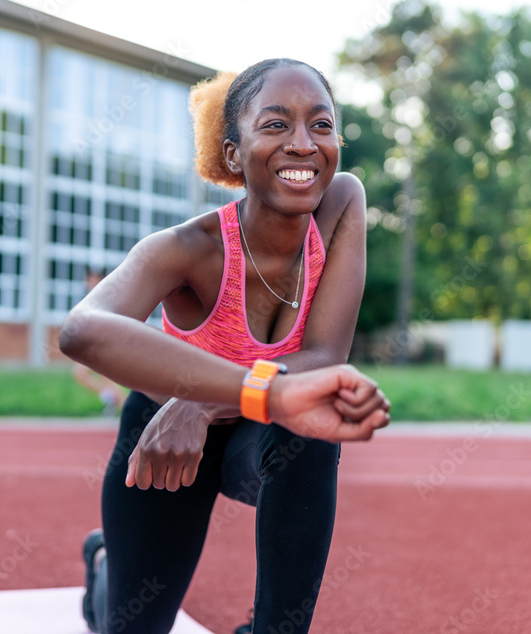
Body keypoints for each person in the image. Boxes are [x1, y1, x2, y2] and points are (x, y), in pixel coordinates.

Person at [59, 58, 391, 634]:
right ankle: (107, 565)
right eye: (274, 125)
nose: (302, 144)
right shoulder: (189, 248)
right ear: (234, 154)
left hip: (256, 433)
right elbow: (82, 330)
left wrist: (204, 398)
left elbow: (323, 359)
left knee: (312, 423)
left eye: (320, 124)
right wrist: (183, 403)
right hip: (163, 439)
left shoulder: (341, 202)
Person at [72, 268, 128, 415]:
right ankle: (115, 401)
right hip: (94, 343)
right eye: (88, 280)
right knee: (88, 375)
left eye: (93, 279)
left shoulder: (108, 298)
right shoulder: (90, 298)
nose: (90, 283)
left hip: (105, 343)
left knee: (91, 375)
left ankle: (124, 409)